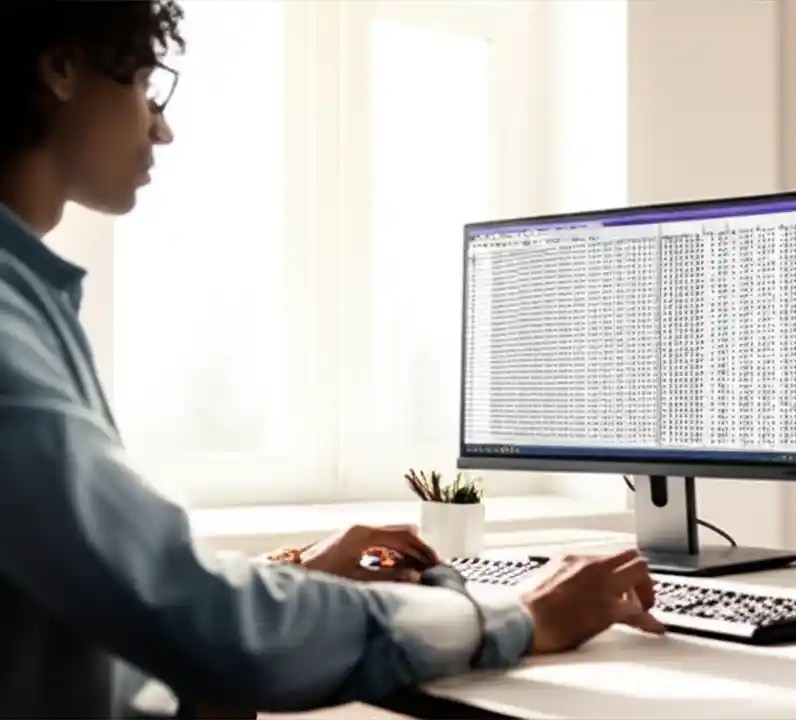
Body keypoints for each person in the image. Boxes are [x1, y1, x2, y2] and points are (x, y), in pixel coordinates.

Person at [0, 2, 664, 717]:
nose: (161, 126)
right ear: (61, 68)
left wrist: (293, 572)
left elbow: (116, 589)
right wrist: (520, 618)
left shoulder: (31, 301)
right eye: (144, 89)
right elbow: (204, 624)